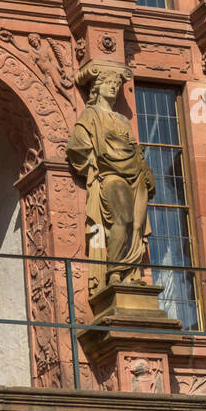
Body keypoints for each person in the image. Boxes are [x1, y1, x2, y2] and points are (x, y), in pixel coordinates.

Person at [66, 62, 154, 297]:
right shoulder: (90, 115)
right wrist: (96, 162)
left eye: (117, 84)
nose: (114, 87)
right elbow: (77, 147)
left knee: (136, 226)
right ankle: (114, 271)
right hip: (110, 175)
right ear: (96, 87)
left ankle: (130, 273)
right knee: (122, 219)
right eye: (109, 83)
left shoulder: (123, 120)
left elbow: (135, 149)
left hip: (135, 177)